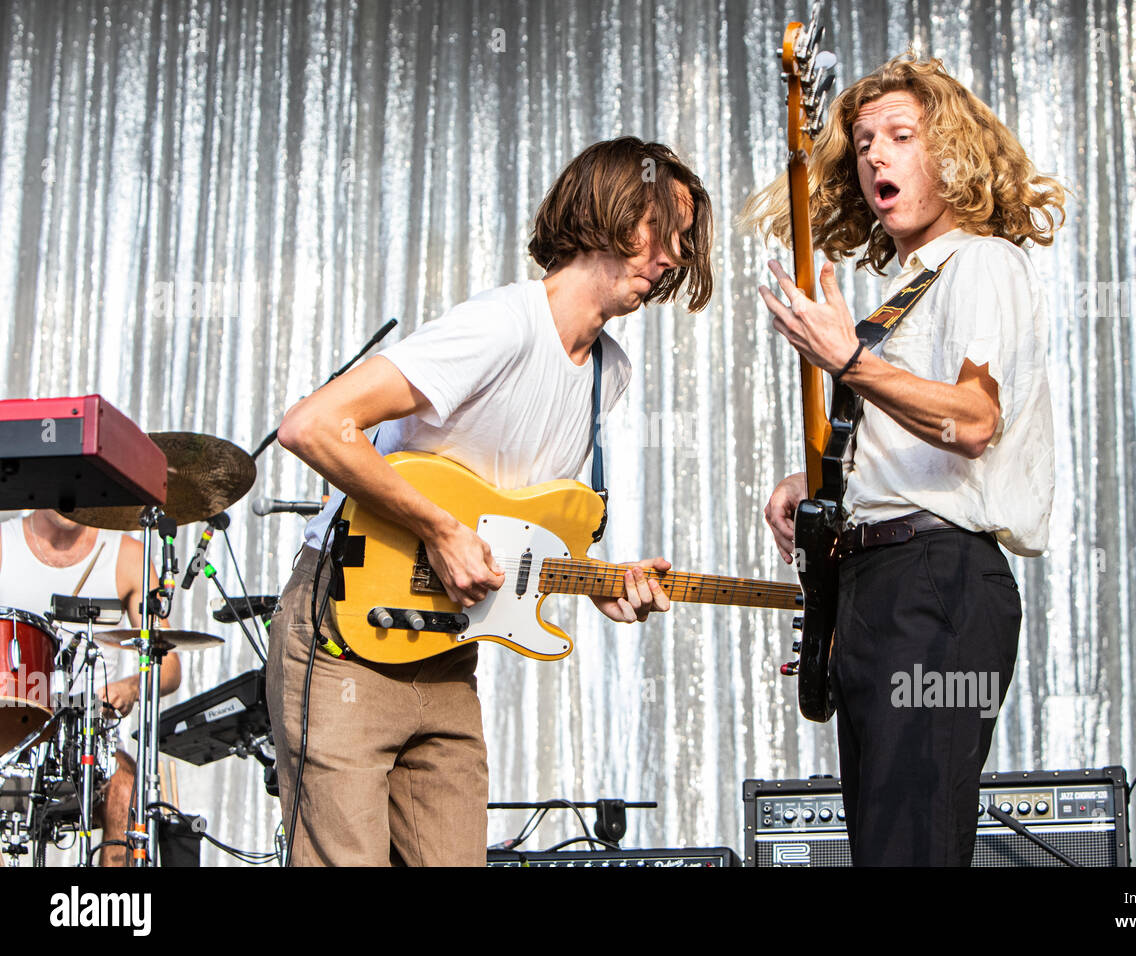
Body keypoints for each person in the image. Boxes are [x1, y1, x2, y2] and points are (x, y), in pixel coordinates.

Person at [270, 136, 714, 866]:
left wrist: (600, 582)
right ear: (611, 209)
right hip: (345, 631)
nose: (673, 255)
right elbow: (314, 426)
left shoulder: (610, 372)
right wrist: (439, 530)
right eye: (663, 227)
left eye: (684, 238)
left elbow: (513, 520)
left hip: (446, 653)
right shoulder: (503, 324)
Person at [746, 53, 1065, 865]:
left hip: (936, 583)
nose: (875, 155)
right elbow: (909, 429)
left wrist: (848, 360)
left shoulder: (981, 262)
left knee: (912, 847)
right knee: (891, 844)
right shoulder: (912, 285)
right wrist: (819, 484)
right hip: (879, 586)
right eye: (861, 143)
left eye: (900, 136)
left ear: (951, 153)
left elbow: (971, 421)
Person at [0, 508, 181, 866]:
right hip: (8, 732)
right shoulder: (5, 543)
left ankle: (107, 913)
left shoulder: (127, 555)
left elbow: (171, 666)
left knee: (126, 790)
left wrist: (131, 686)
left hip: (88, 741)